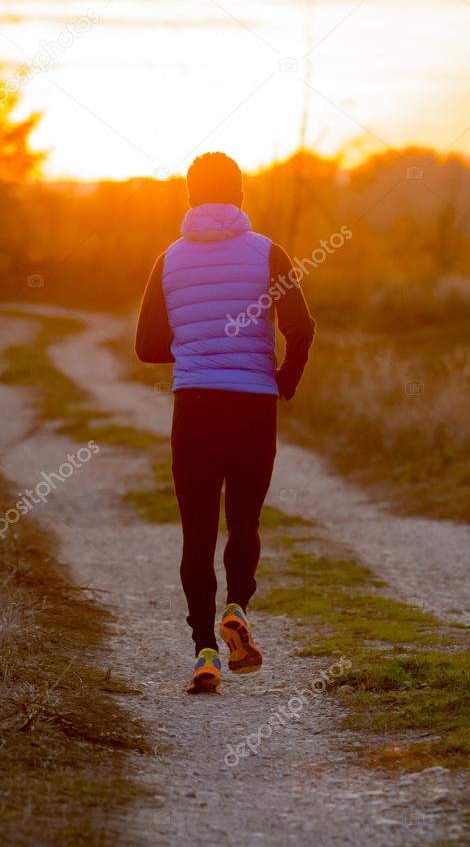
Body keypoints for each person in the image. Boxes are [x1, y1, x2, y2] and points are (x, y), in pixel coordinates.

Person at [135, 151, 315, 694]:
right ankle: (236, 606)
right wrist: (284, 379)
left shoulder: (168, 259)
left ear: (190, 197)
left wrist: (196, 344)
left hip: (195, 406)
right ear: (240, 196)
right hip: (253, 407)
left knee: (197, 533)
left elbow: (145, 347)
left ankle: (204, 654)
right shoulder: (269, 254)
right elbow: (302, 328)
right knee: (244, 521)